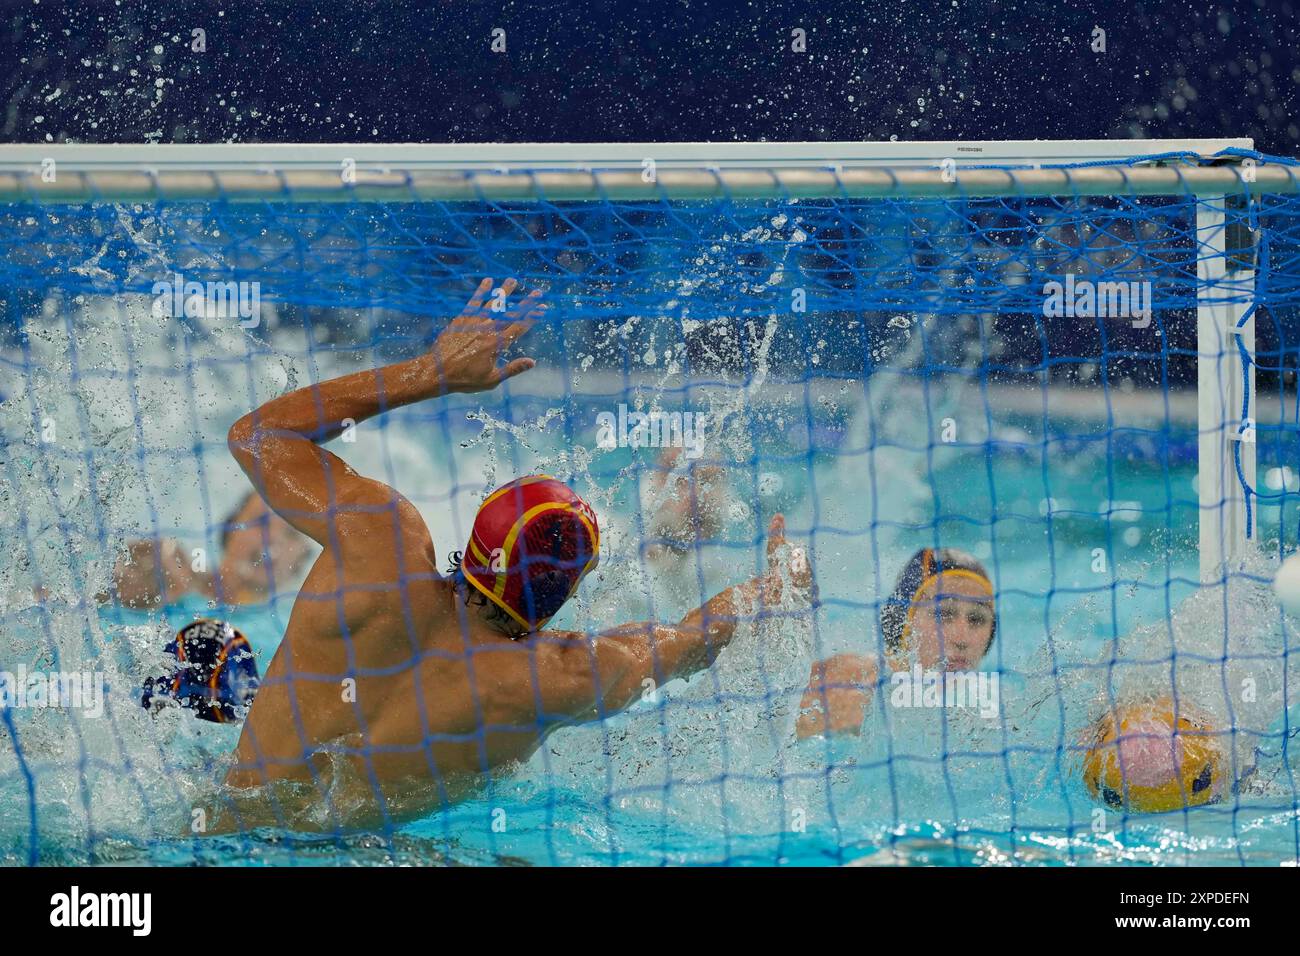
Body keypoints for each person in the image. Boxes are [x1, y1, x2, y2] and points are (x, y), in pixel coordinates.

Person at [217, 277, 814, 830]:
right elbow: (697, 638)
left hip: (223, 835)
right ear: (570, 591)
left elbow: (257, 436)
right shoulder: (557, 678)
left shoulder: (378, 540)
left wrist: (432, 372)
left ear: (476, 531)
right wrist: (781, 586)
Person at [796, 547, 995, 739]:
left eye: (977, 619)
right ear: (903, 623)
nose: (962, 639)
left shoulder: (989, 702)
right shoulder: (854, 683)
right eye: (943, 614)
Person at [109, 493, 312, 609]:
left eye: (291, 533)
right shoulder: (170, 570)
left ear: (301, 563)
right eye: (260, 522)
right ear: (230, 530)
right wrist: (125, 584)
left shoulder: (294, 629)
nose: (272, 538)